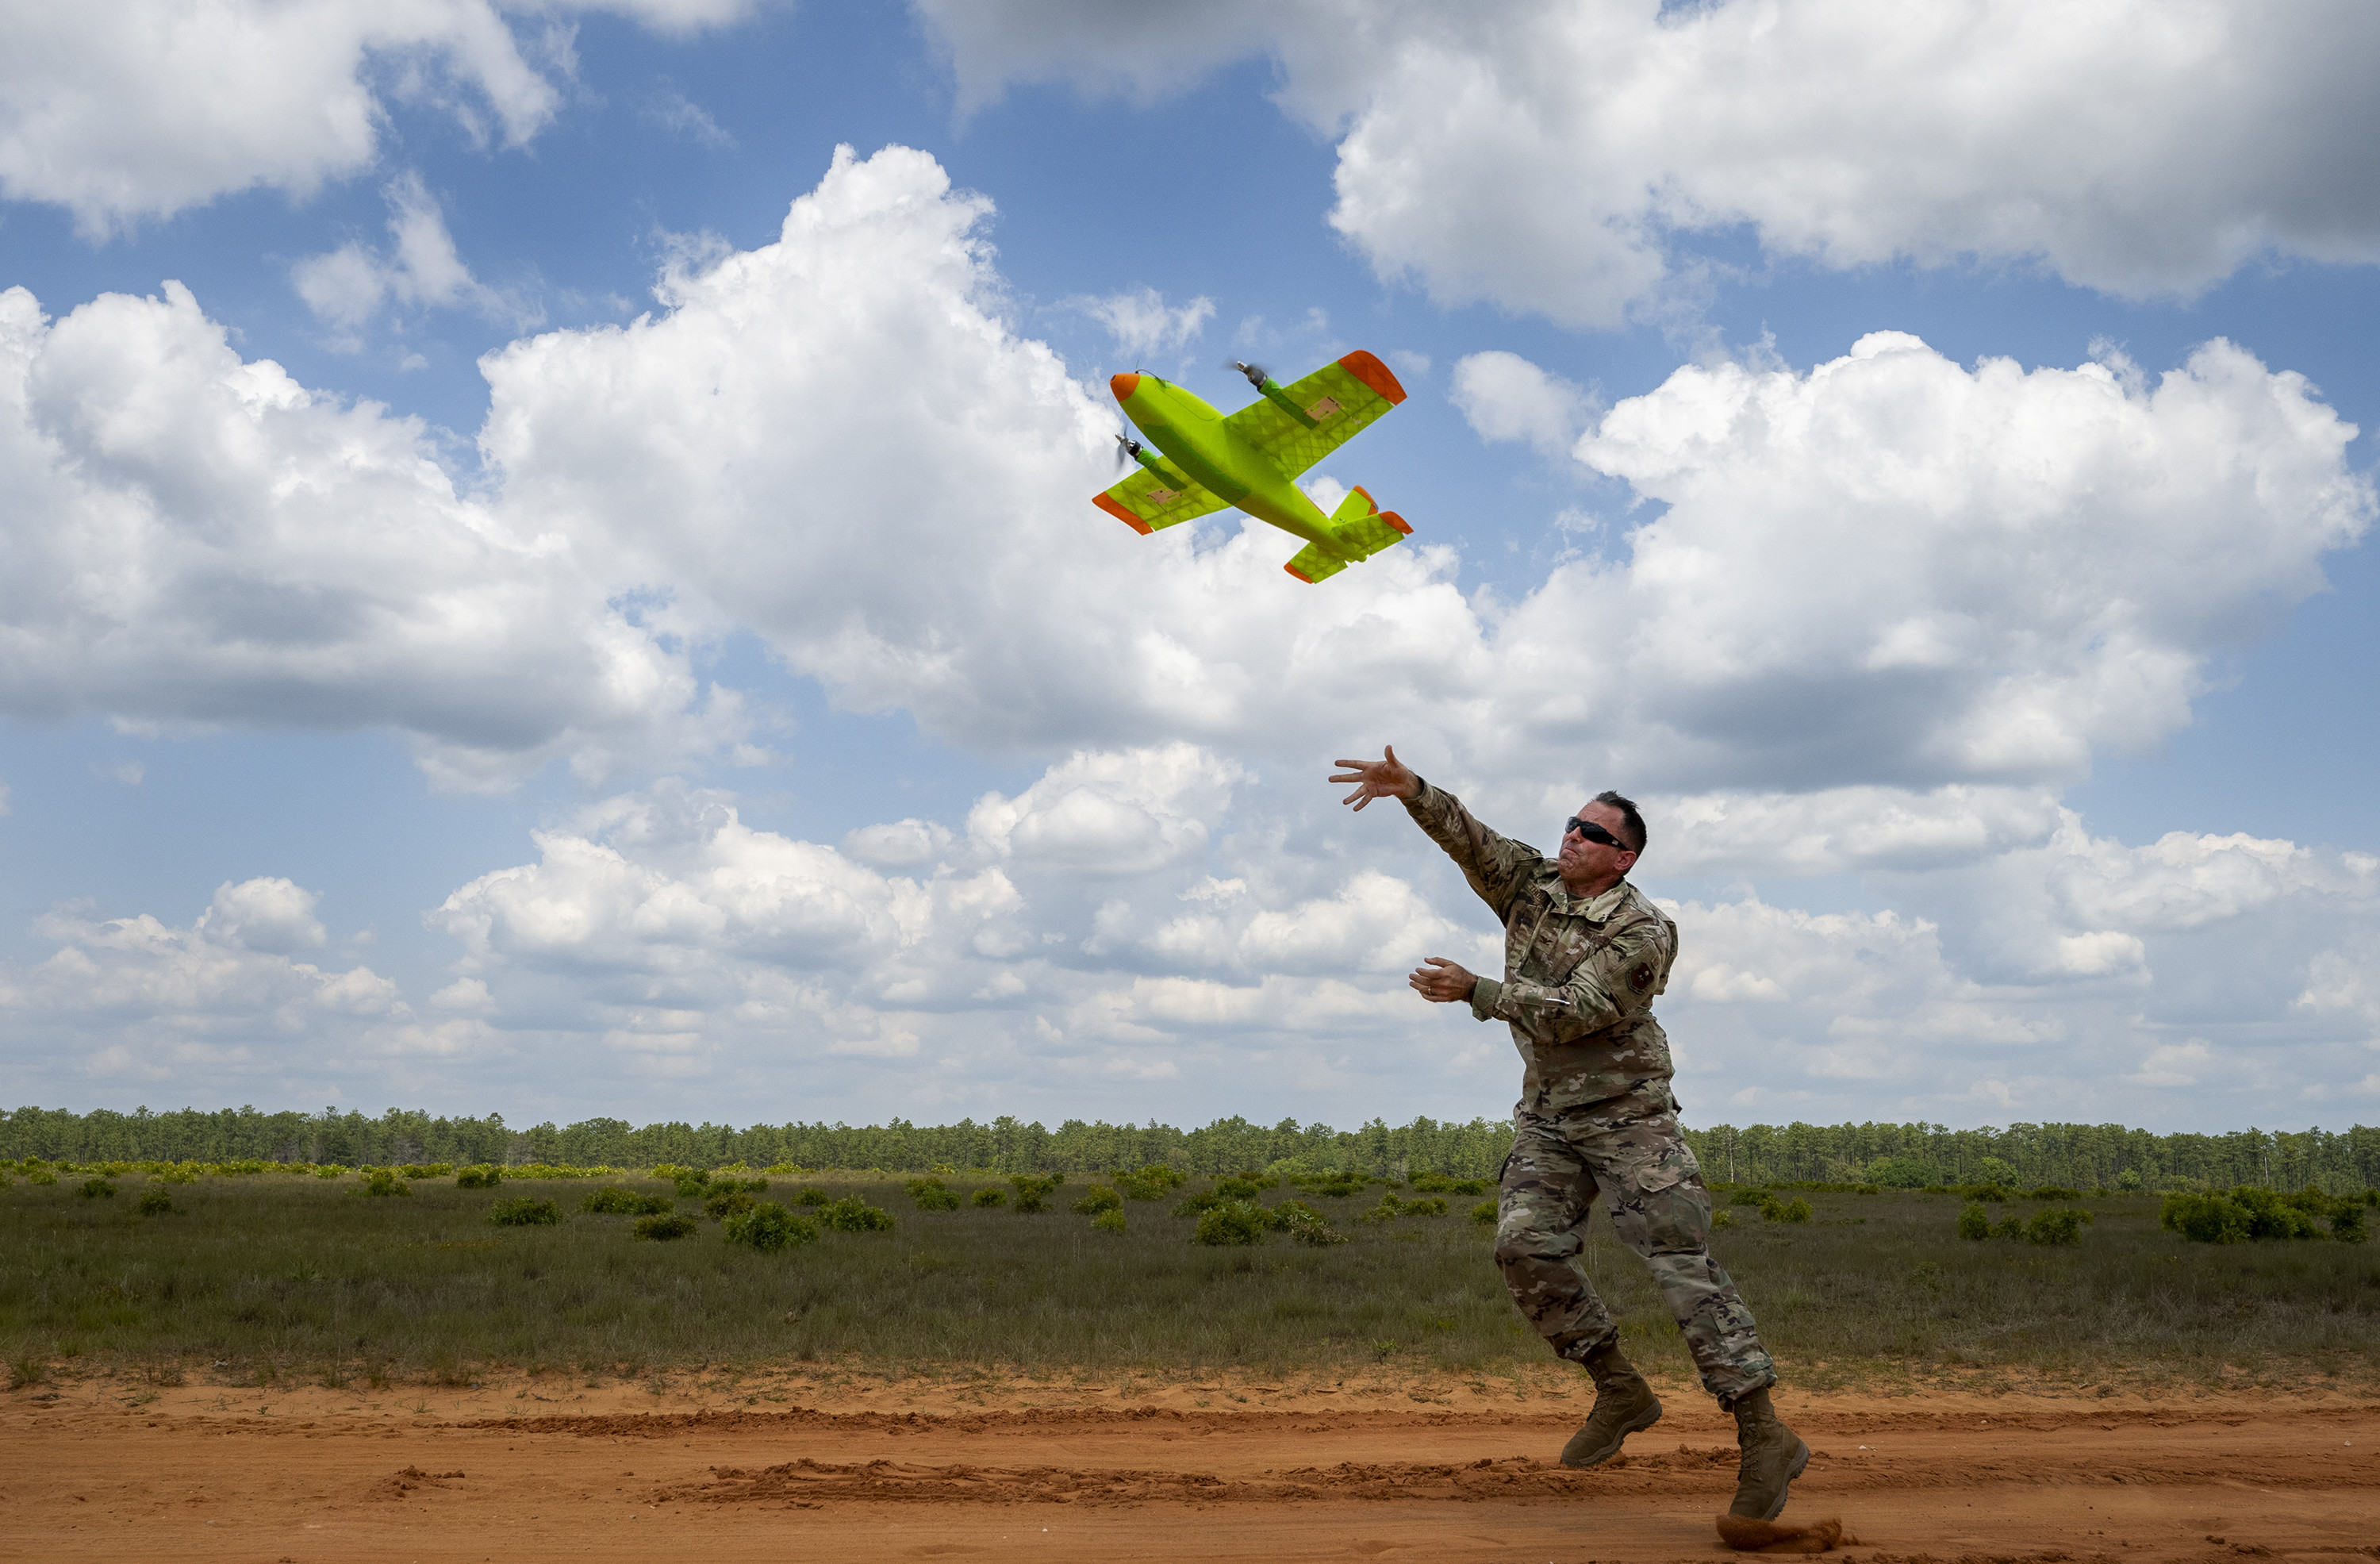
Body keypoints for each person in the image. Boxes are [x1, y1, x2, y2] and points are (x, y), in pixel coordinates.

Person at [1330, 744, 1807, 1522]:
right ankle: (1619, 1389)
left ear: (1623, 858)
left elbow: (1576, 1009)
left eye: (1592, 832)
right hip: (1551, 1116)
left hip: (1629, 1118)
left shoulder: (1643, 933)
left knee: (1679, 1263)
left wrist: (1476, 990)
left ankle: (1764, 1437)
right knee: (1522, 1246)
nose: (1573, 836)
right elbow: (1469, 837)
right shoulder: (1532, 886)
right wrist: (1411, 790)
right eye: (1571, 824)